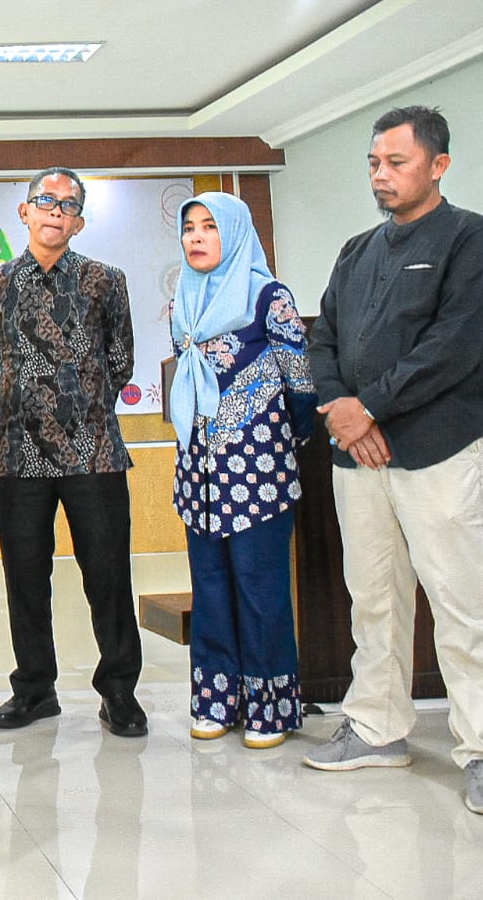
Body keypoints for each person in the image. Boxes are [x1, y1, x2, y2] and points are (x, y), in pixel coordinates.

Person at [303, 105, 483, 817]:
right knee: (376, 600)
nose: (381, 175)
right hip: (359, 460)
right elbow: (324, 338)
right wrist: (340, 408)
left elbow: (455, 346)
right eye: (373, 163)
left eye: (396, 162)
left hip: (440, 453)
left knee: (461, 606)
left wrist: (373, 407)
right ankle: (377, 725)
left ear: (438, 165)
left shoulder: (472, 239)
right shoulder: (358, 250)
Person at [0, 166, 147, 737]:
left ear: (79, 221)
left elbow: (121, 359)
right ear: (24, 211)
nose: (55, 210)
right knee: (25, 576)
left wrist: (75, 405)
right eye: (44, 200)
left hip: (92, 451)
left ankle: (119, 692)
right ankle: (35, 688)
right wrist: (28, 404)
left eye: (67, 205)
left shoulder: (104, 280)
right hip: (19, 455)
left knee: (108, 575)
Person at [169, 192, 314, 749]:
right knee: (209, 588)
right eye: (189, 229)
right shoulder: (184, 297)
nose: (198, 237)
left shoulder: (267, 296)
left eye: (210, 227)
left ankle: (270, 707)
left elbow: (299, 381)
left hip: (259, 471)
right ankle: (216, 700)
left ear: (235, 233)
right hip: (199, 471)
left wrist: (279, 444)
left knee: (260, 588)